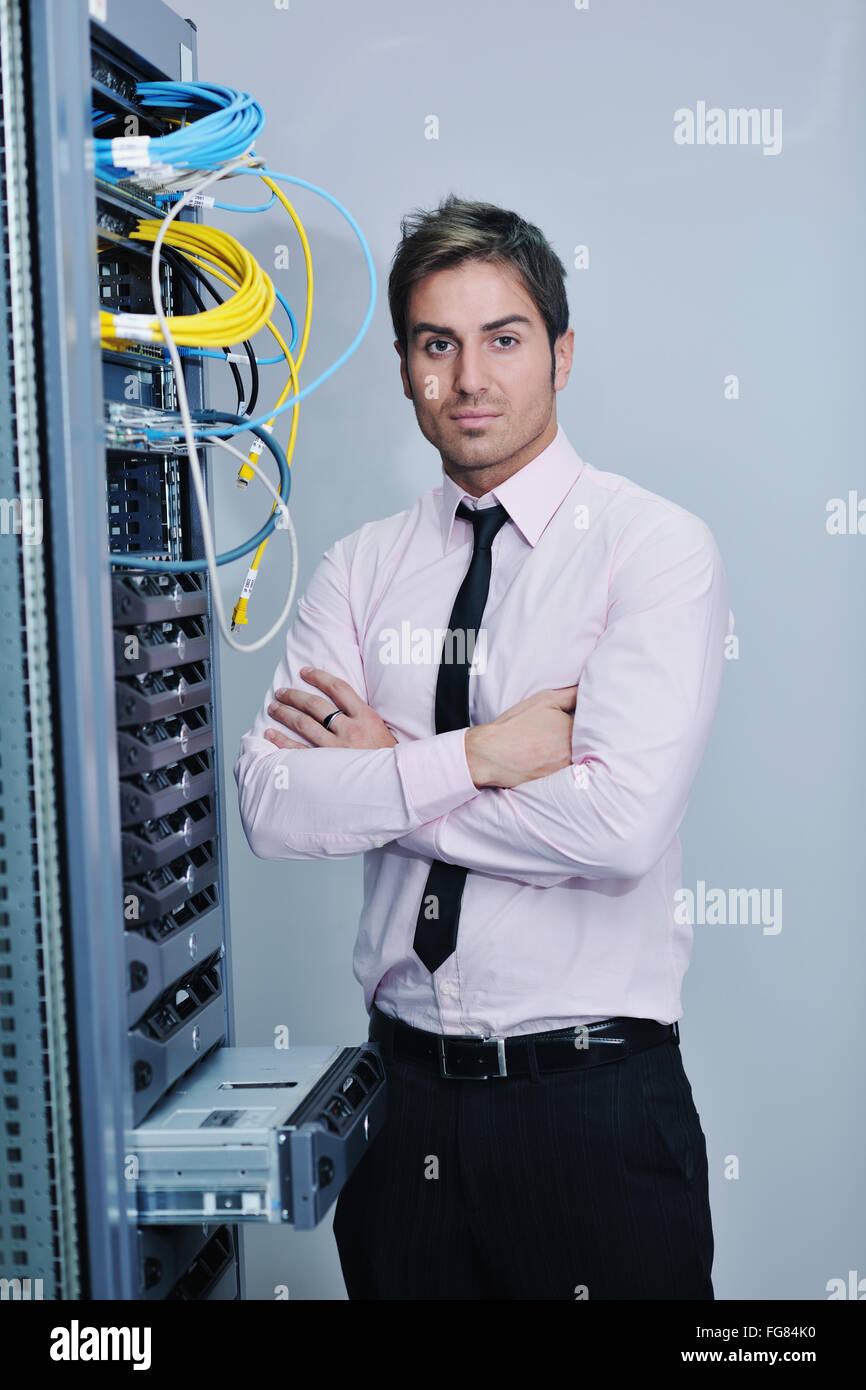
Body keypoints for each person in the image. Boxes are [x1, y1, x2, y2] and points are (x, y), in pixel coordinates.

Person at [234, 194, 728, 1300]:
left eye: (502, 340)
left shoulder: (650, 550)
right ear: (405, 366)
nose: (468, 379)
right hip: (395, 1097)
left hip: (591, 1106)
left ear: (559, 352)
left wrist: (384, 765)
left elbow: (615, 828)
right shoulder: (356, 570)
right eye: (434, 344)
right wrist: (481, 754)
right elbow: (272, 804)